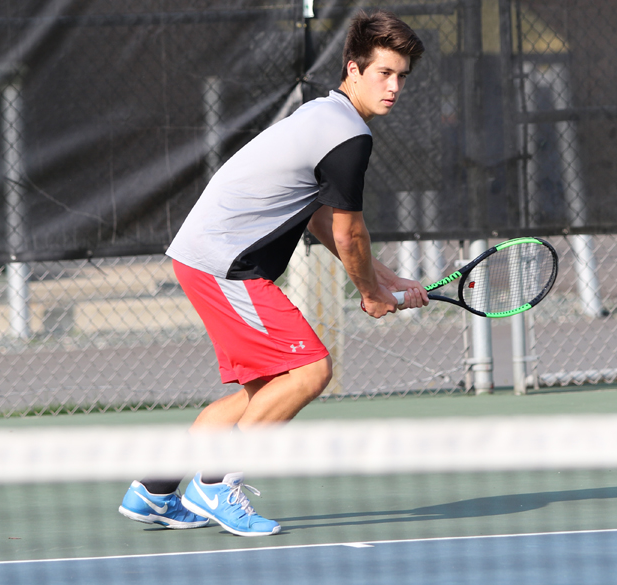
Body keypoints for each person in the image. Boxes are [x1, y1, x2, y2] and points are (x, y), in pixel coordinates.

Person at [117, 9, 428, 537]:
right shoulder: (349, 136)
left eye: (402, 76)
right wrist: (371, 295)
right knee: (310, 370)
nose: (394, 87)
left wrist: (385, 278)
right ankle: (215, 484)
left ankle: (156, 490)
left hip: (206, 256)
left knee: (259, 394)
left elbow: (317, 217)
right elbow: (349, 232)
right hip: (225, 264)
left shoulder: (324, 116)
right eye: (383, 73)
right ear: (353, 69)